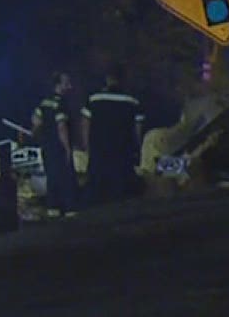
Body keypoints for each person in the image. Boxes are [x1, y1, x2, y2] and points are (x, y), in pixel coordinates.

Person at [81, 69, 145, 205]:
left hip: (99, 148)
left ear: (108, 79)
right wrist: (137, 147)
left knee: (98, 186)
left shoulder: (94, 98)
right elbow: (137, 127)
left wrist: (86, 145)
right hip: (122, 148)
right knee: (120, 189)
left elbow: (85, 124)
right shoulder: (132, 101)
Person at [32, 71, 80, 215]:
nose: (70, 86)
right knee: (66, 177)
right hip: (59, 146)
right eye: (67, 83)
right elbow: (62, 127)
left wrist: (38, 138)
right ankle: (69, 208)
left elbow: (36, 122)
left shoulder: (44, 102)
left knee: (51, 176)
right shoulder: (61, 104)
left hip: (47, 146)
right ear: (59, 85)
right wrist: (67, 148)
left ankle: (53, 207)